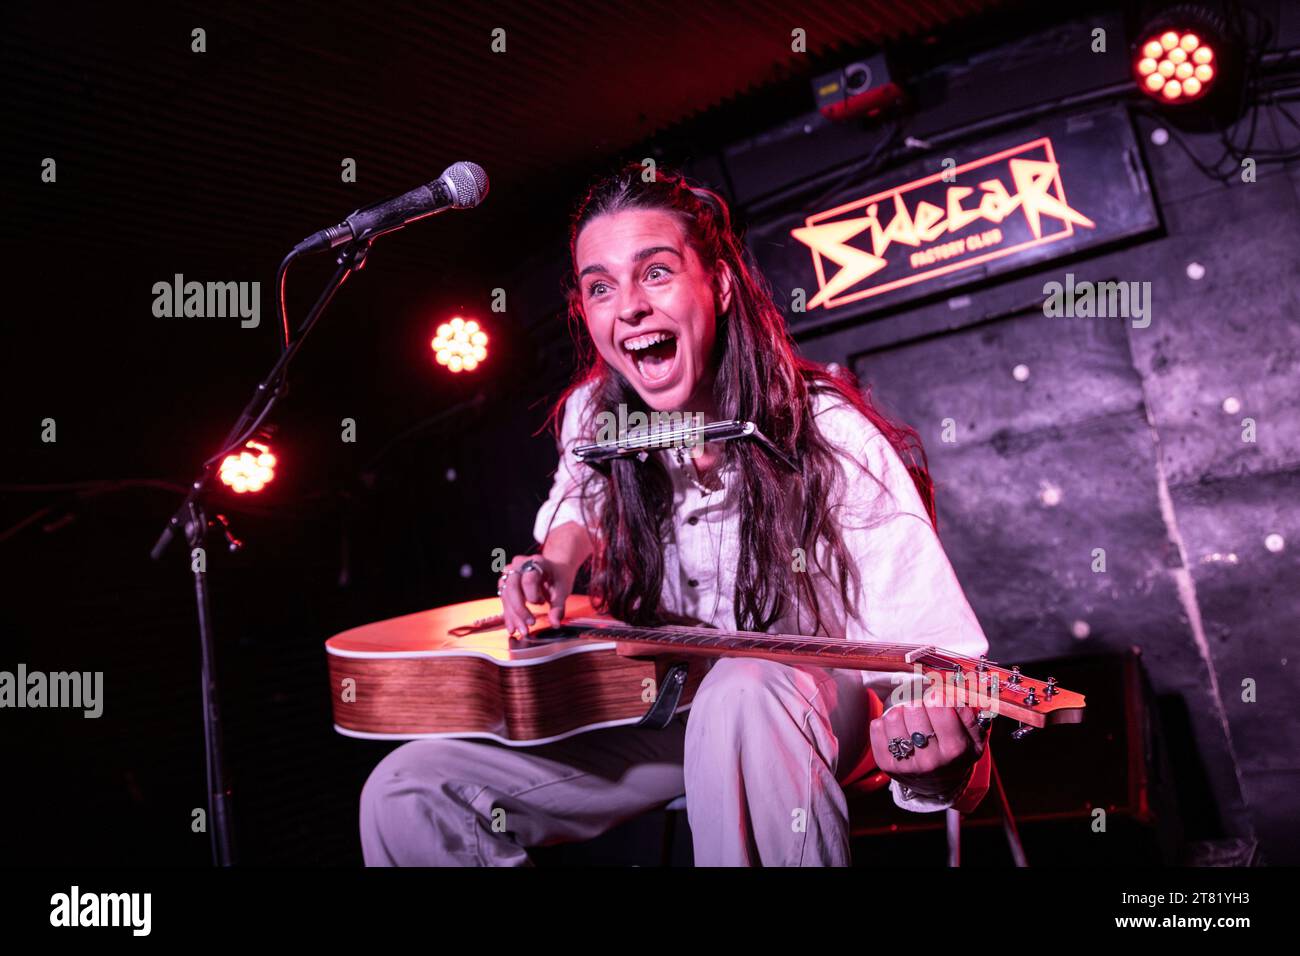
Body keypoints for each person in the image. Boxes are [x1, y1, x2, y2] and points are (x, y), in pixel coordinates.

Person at [359, 163, 993, 866]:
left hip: (808, 707)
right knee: (408, 789)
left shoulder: (829, 433)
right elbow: (581, 498)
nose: (627, 306)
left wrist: (926, 739)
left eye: (654, 273)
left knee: (743, 688)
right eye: (601, 287)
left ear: (718, 286)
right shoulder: (594, 413)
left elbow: (936, 652)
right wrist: (555, 564)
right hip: (669, 705)